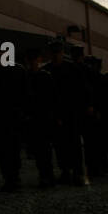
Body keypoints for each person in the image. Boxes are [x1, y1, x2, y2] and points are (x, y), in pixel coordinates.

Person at [0, 48, 29, 192]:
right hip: (1, 118)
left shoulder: (16, 70)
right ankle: (10, 178)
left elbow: (26, 93)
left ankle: (13, 178)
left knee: (13, 149)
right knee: (4, 150)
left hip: (12, 117)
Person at [43, 40, 87, 185]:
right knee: (59, 144)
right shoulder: (47, 70)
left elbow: (81, 91)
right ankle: (65, 171)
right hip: (55, 113)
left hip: (71, 113)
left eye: (58, 53)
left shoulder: (72, 69)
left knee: (74, 143)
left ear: (62, 53)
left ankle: (77, 172)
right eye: (53, 53)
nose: (56, 56)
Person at [24, 48, 58, 187]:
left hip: (43, 117)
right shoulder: (27, 77)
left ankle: (47, 175)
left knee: (44, 149)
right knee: (39, 150)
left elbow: (52, 98)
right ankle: (44, 175)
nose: (33, 63)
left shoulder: (44, 76)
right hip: (34, 118)